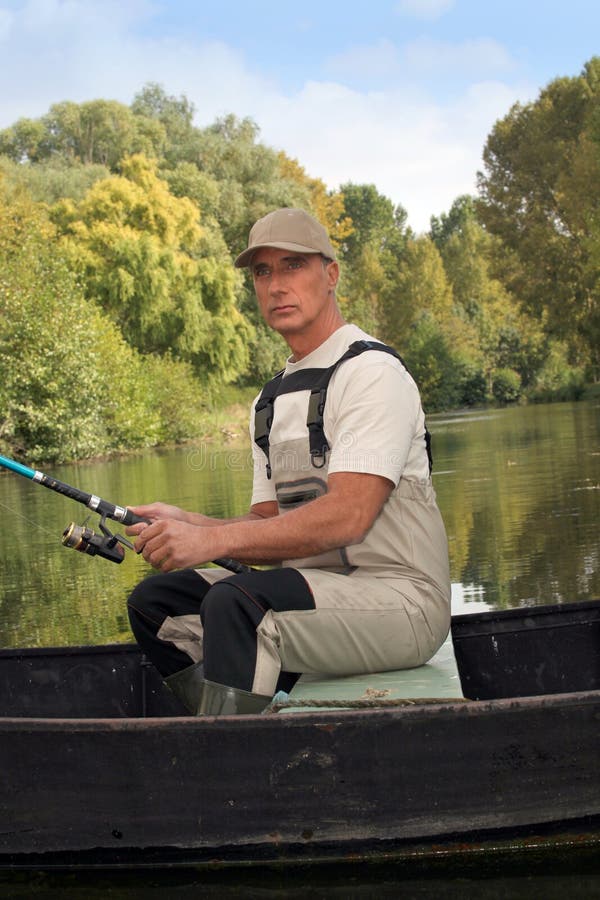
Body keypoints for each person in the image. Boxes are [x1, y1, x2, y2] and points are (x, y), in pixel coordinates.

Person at [126, 207, 451, 716]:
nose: (276, 285)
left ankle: (234, 767)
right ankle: (222, 721)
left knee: (238, 606)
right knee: (158, 602)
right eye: (263, 271)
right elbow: (268, 529)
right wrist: (191, 523)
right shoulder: (269, 401)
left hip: (403, 605)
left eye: (293, 265)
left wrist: (209, 541)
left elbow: (349, 515)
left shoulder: (372, 373)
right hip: (315, 596)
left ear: (331, 275)